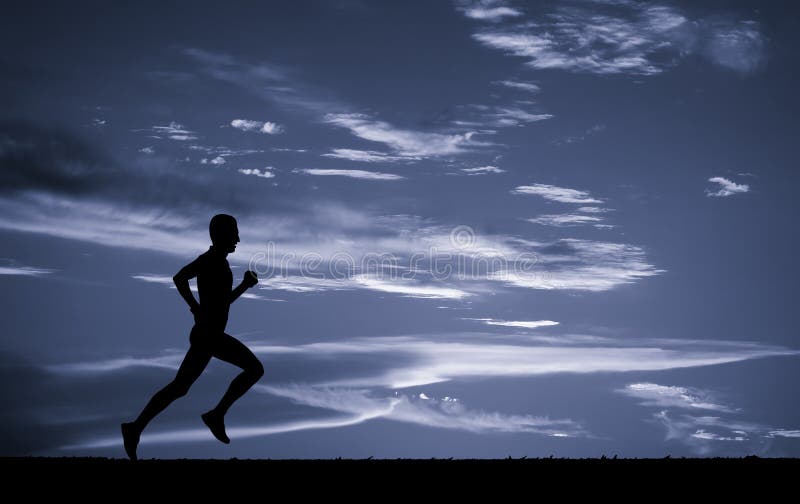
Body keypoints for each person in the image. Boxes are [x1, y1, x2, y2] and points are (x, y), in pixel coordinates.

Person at [121, 214, 264, 461]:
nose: (238, 239)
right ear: (221, 235)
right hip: (208, 335)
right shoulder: (210, 261)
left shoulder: (219, 262)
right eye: (234, 233)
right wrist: (195, 308)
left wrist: (242, 287)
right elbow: (179, 277)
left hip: (209, 335)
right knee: (254, 369)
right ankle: (215, 415)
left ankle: (135, 428)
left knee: (180, 387)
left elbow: (221, 303)